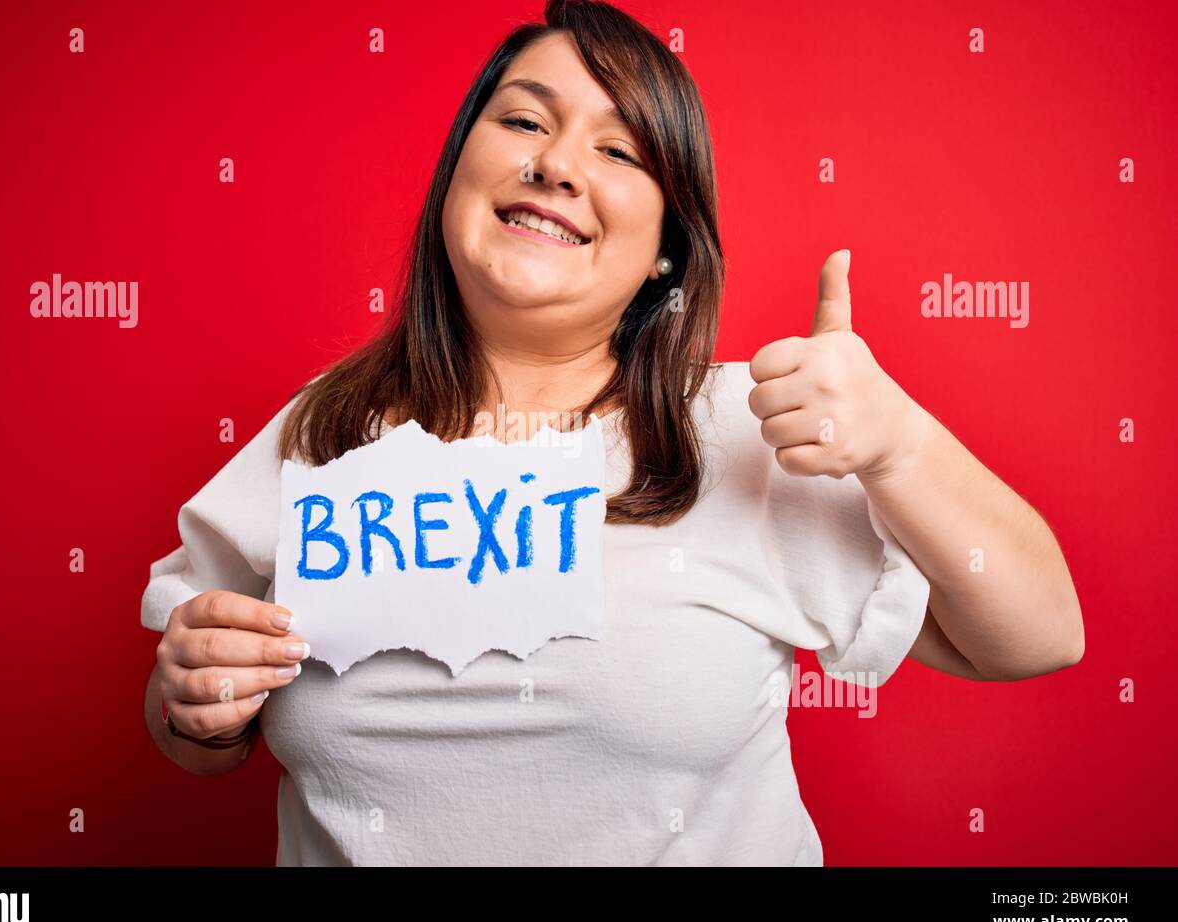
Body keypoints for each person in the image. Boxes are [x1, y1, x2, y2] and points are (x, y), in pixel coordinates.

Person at [141, 0, 1084, 865]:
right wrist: (196, 711)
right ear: (455, 172)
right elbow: (192, 721)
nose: (555, 164)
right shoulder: (323, 429)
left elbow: (1038, 637)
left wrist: (903, 446)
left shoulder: (744, 433)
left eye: (621, 152)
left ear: (668, 247)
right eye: (523, 121)